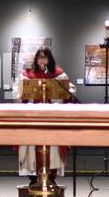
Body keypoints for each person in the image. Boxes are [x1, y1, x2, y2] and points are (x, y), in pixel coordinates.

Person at [13, 47, 76, 184]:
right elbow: (17, 93)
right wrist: (23, 96)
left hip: (52, 117)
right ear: (36, 59)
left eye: (45, 57)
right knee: (31, 146)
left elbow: (69, 90)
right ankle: (34, 177)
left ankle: (51, 176)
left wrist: (60, 96)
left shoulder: (58, 75)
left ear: (50, 59)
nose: (42, 60)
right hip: (33, 118)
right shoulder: (27, 75)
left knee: (53, 147)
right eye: (40, 57)